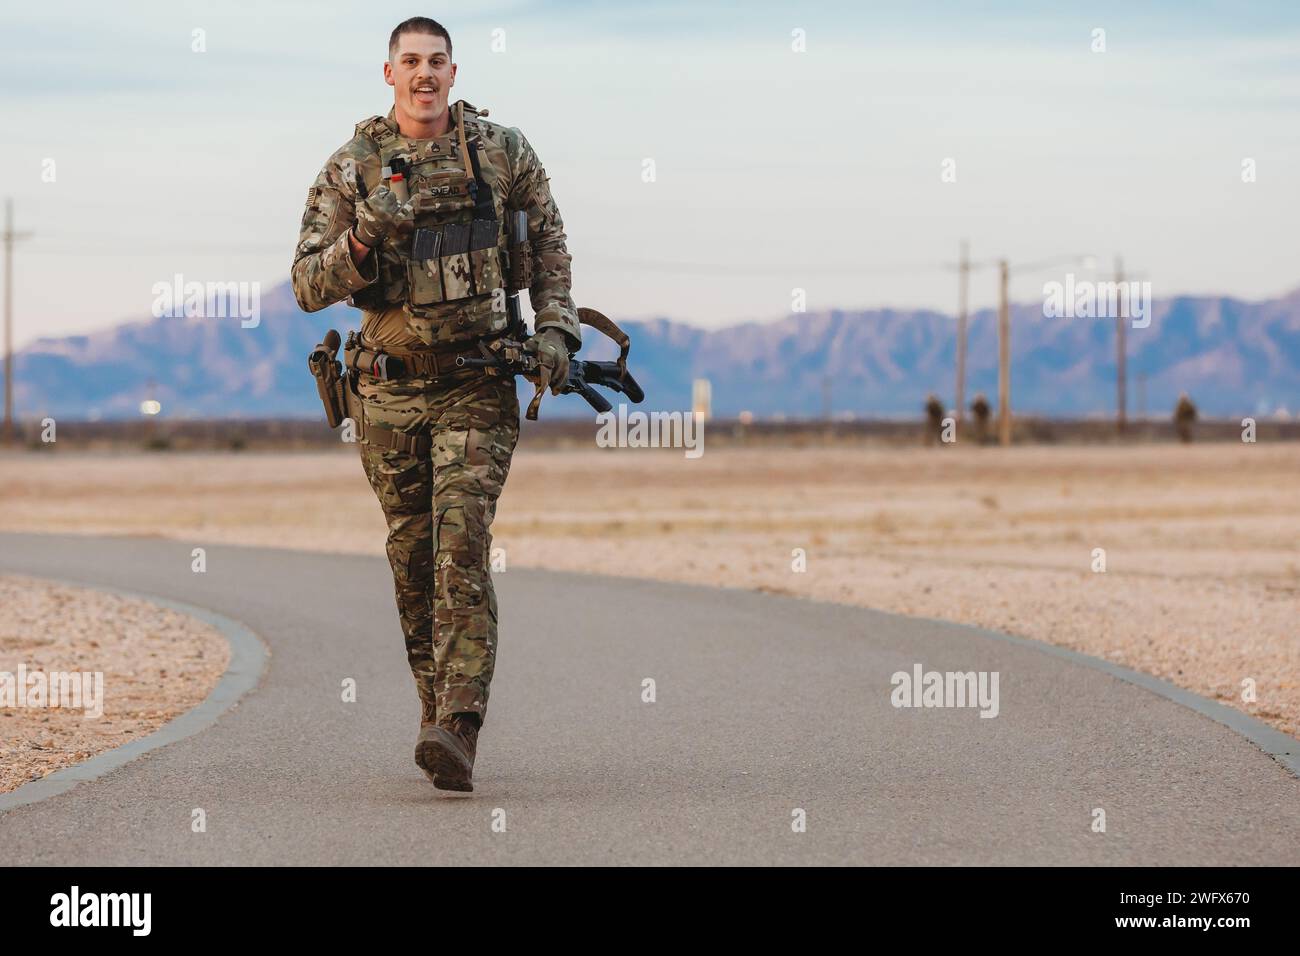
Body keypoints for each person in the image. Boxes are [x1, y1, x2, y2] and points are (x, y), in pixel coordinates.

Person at [291, 17, 580, 792]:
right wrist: (361, 243)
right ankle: (436, 718)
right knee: (412, 560)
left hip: (477, 382)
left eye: (436, 62)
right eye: (410, 62)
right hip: (386, 390)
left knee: (460, 544)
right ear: (388, 74)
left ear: (454, 72)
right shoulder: (353, 166)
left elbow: (550, 250)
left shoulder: (502, 152)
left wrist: (555, 332)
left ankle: (460, 721)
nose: (424, 74)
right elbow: (306, 287)